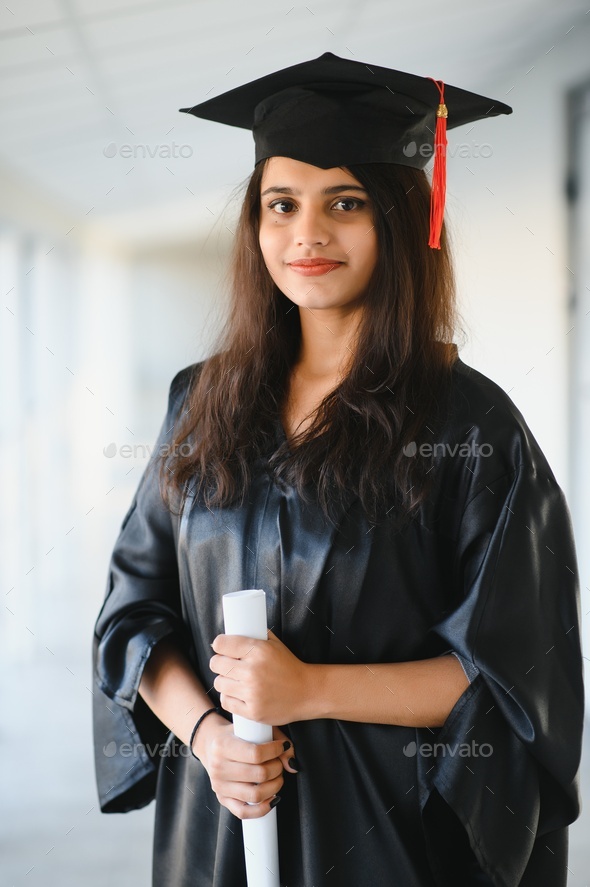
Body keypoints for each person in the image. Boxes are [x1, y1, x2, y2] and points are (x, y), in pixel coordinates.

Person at [92, 53, 584, 886]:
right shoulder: (199, 402)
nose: (306, 235)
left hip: (389, 827)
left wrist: (308, 687)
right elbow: (133, 615)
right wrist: (212, 737)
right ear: (256, 225)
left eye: (345, 204)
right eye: (280, 205)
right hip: (223, 815)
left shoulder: (470, 425)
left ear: (400, 220)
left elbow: (510, 669)